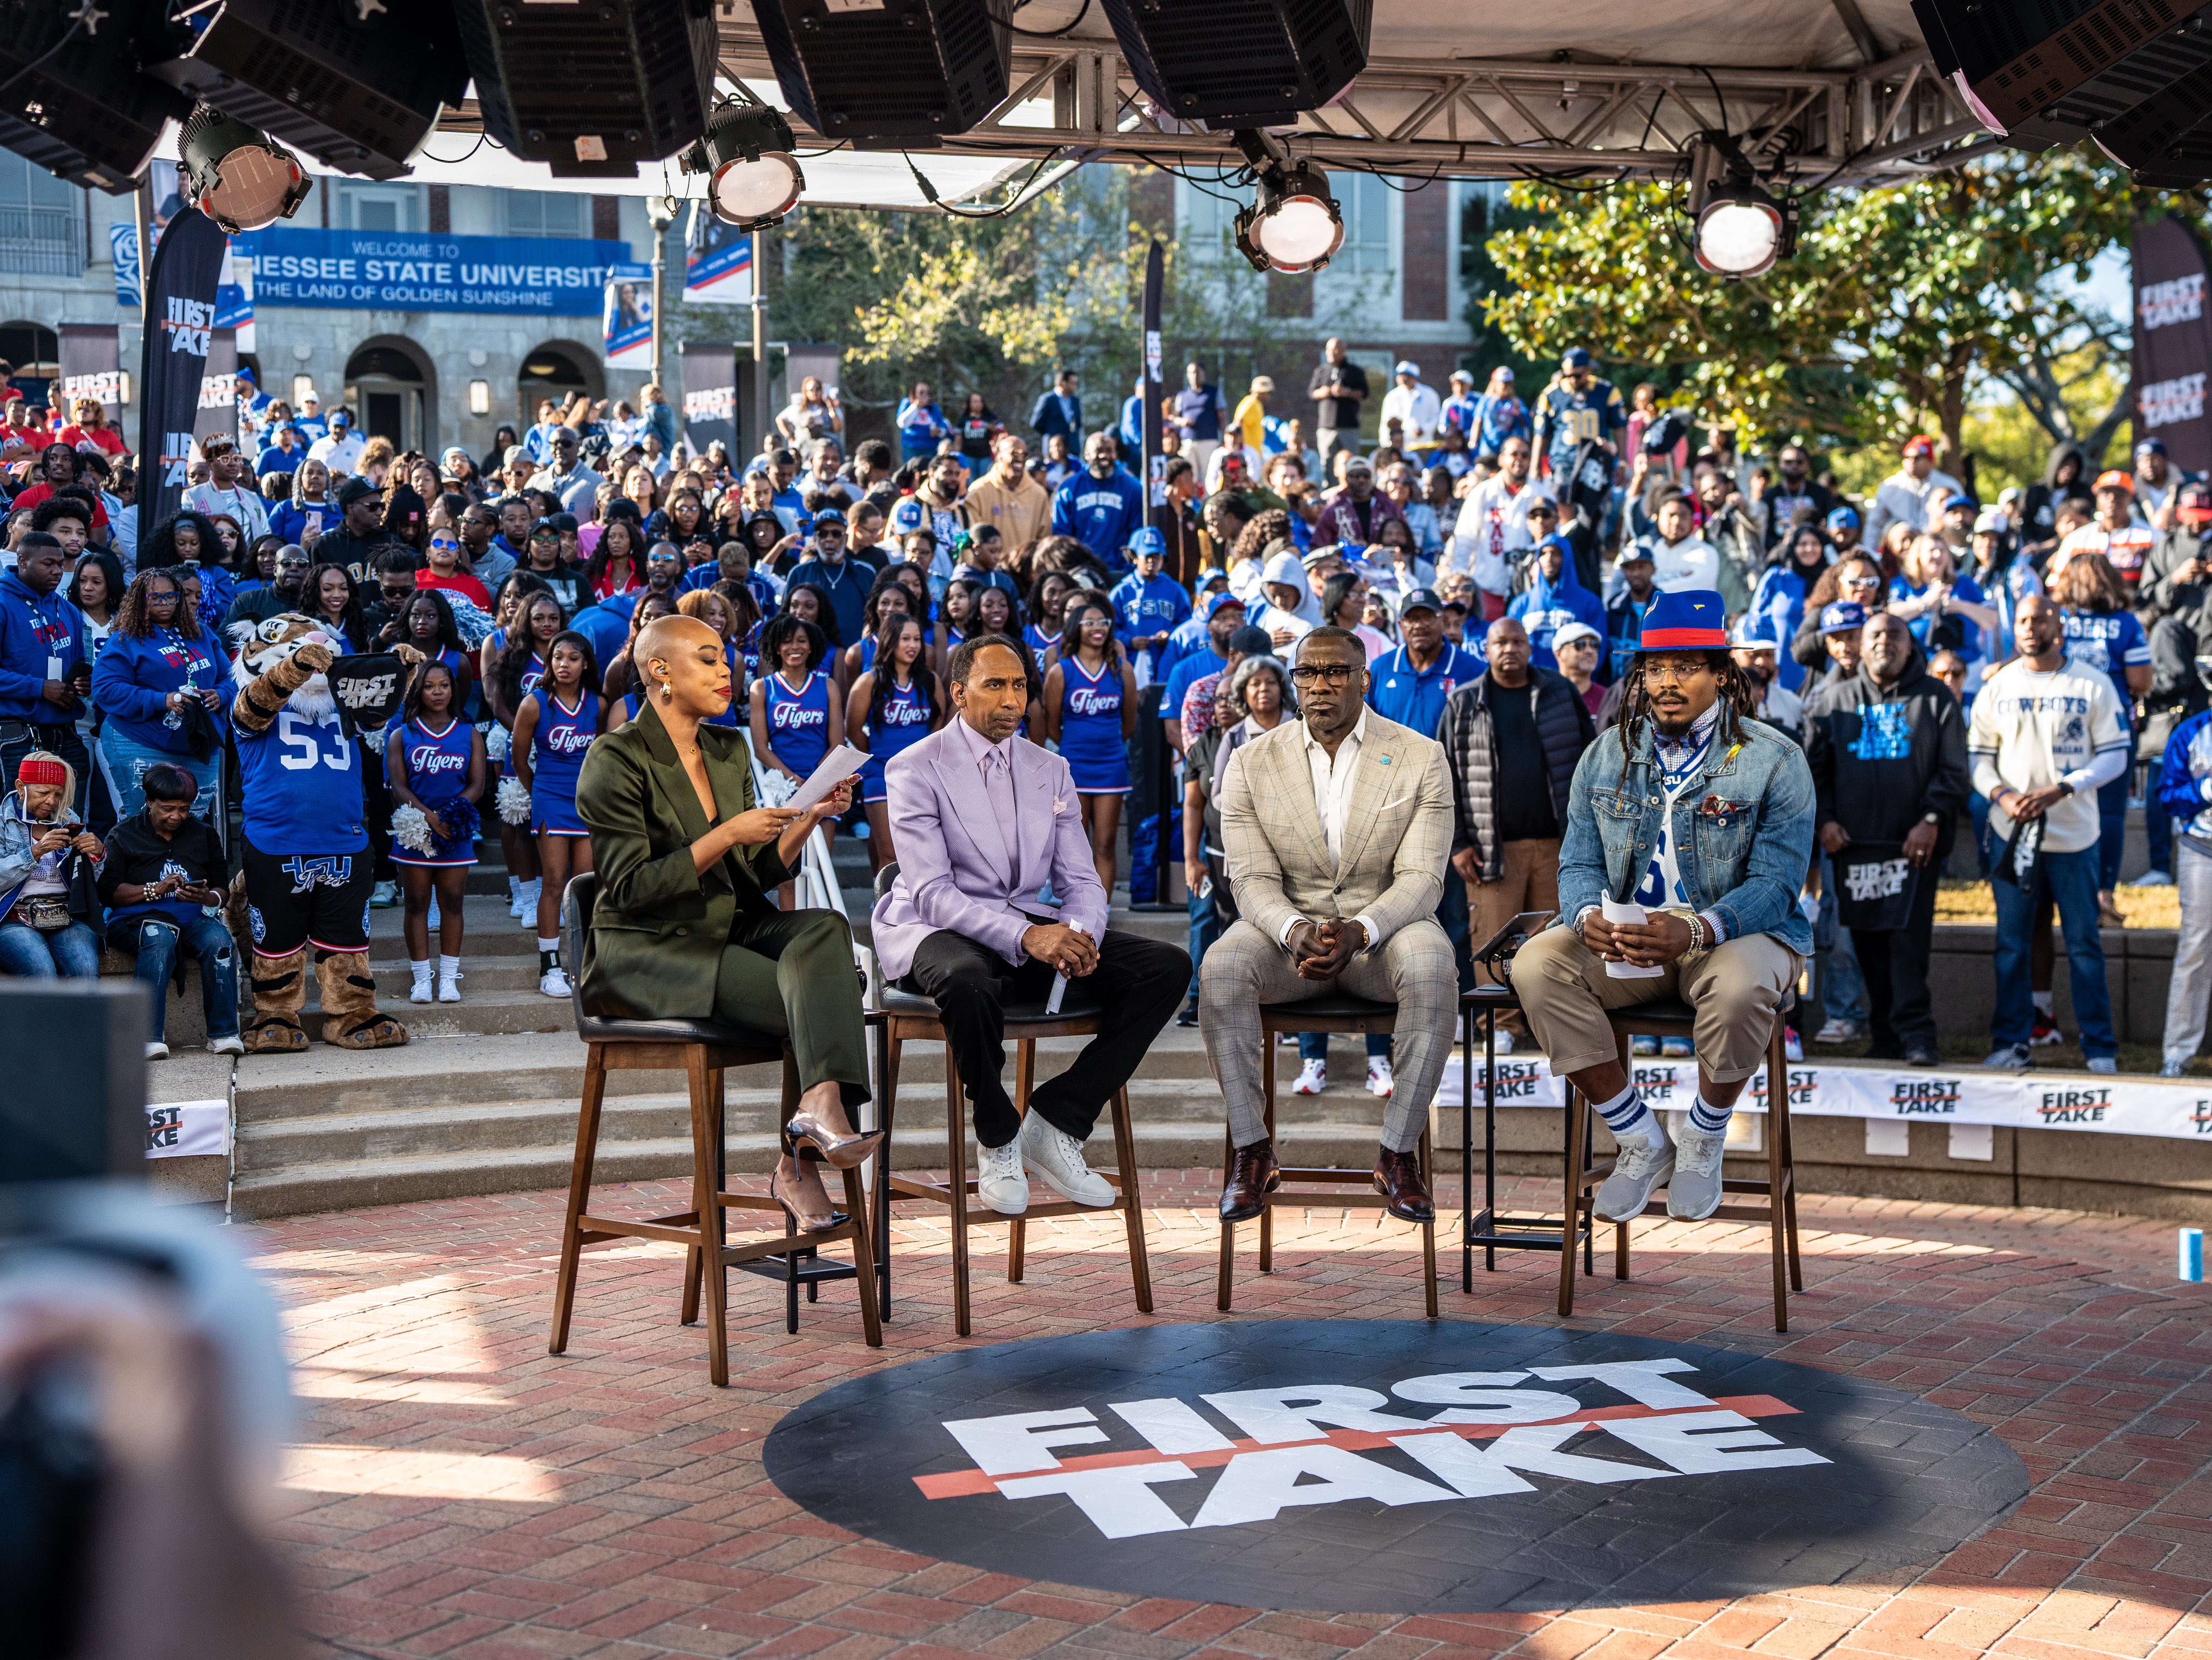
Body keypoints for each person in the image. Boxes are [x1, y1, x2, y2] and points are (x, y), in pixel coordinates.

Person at [1511, 590, 1816, 1223]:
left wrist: (1698, 927)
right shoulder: (1607, 752)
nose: (1667, 682)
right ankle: (1640, 1137)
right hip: (1629, 946)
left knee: (1739, 986)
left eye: (1687, 666)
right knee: (1535, 965)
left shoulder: (1774, 757)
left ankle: (1704, 1137)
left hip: (1732, 934)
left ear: (1722, 675)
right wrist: (1582, 915)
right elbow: (1578, 861)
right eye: (1655, 668)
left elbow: (1778, 882)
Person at [576, 613, 875, 1232]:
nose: (726, 670)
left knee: (822, 931)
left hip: (725, 922)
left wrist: (808, 816)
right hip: (647, 948)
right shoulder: (615, 756)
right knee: (820, 994)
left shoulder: (727, 746)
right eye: (708, 659)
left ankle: (817, 1106)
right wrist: (726, 833)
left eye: (725, 658)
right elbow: (630, 889)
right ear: (660, 670)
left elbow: (752, 872)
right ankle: (798, 1160)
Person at [871, 635, 1188, 1216]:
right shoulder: (915, 767)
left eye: (1020, 685)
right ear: (959, 692)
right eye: (996, 684)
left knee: (1165, 968)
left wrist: (1082, 935)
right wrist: (1027, 937)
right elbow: (933, 893)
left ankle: (1057, 1117)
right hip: (936, 930)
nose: (1012, 698)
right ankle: (996, 1136)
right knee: (967, 980)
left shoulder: (1052, 768)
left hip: (1023, 926)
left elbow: (1081, 879)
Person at [1204, 626, 1455, 1223]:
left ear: (1363, 677)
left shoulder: (1420, 755)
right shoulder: (1249, 761)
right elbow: (1250, 881)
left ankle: (1396, 1153)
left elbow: (1422, 878)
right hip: (1288, 939)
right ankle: (1253, 1149)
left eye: (1336, 672)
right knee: (1221, 965)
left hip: (1383, 936)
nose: (1320, 685)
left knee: (1433, 962)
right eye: (1308, 673)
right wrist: (1294, 930)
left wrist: (1362, 929)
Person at [1802, 611, 1969, 1065]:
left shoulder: (1936, 699)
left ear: (1910, 645)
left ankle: (1919, 1036)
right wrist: (1827, 822)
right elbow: (1813, 771)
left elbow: (1954, 771)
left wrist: (1931, 820)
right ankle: (1886, 1037)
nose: (1884, 642)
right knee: (1868, 944)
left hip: (1915, 849)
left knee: (1907, 943)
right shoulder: (1834, 700)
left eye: (1895, 635)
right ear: (1861, 643)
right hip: (1853, 848)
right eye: (1875, 635)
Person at [1970, 593, 2126, 1072]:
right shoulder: (1997, 687)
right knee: (2011, 943)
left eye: (2040, 618)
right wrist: (2002, 796)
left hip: (2074, 837)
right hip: (2012, 833)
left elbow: (2115, 756)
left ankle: (2099, 1049)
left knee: (2084, 944)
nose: (2031, 627)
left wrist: (2064, 789)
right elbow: (1979, 759)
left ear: (2059, 625)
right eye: (2022, 620)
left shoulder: (2093, 683)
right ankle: (2011, 1042)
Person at [1437, 612, 1596, 1055]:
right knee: (1496, 940)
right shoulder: (1465, 702)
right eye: (1499, 643)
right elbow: (1445, 779)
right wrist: (1460, 843)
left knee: (1556, 941)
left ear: (1530, 647)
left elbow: (1590, 763)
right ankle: (1501, 1025)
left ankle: (1551, 1025)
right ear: (1485, 651)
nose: (1509, 650)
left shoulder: (1559, 692)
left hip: (1558, 846)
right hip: (1493, 849)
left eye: (1517, 642)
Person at [95, 762, 241, 1058]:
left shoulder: (203, 834)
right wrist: (154, 889)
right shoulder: (124, 835)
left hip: (191, 918)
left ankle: (224, 1033)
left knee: (220, 941)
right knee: (159, 936)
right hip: (135, 920)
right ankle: (147, 1036)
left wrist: (208, 896)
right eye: (168, 808)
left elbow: (221, 887)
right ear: (149, 801)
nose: (177, 816)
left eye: (184, 809)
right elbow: (109, 893)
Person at [2051, 551, 2151, 922]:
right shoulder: (2126, 624)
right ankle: (2103, 893)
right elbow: (2141, 682)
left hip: (2062, 726)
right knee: (2110, 812)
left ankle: (2061, 893)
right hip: (2114, 728)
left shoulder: (2056, 620)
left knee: (2062, 801)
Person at [90, 568, 228, 824]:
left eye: (171, 597)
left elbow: (230, 676)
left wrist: (222, 694)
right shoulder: (125, 639)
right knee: (147, 827)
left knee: (190, 824)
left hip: (198, 745)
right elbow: (105, 690)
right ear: (139, 600)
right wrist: (162, 700)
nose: (164, 604)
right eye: (155, 598)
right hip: (140, 743)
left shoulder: (202, 633)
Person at [387, 659, 484, 1004]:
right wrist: (430, 817)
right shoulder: (403, 734)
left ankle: (448, 978)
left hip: (454, 831)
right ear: (418, 690)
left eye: (444, 685)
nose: (437, 692)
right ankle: (422, 979)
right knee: (415, 903)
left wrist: (451, 815)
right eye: (429, 686)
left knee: (453, 903)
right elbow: (398, 786)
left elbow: (477, 785)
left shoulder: (469, 733)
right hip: (415, 830)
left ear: (453, 689)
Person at [510, 631, 602, 996]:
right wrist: (541, 791)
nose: (564, 664)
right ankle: (550, 968)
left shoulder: (599, 704)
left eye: (573, 658)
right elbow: (519, 759)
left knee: (583, 883)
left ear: (586, 664)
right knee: (553, 881)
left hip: (587, 801)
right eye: (558, 657)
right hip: (549, 795)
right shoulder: (534, 704)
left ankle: (585, 963)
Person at [1041, 594, 1137, 896]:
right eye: (1090, 622)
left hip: (1111, 766)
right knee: (1076, 846)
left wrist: (1106, 743)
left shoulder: (1122, 670)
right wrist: (1077, 744)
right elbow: (1052, 726)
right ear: (1075, 628)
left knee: (1105, 845)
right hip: (1074, 766)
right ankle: (1078, 910)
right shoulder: (1061, 671)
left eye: (1104, 622)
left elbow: (1130, 724)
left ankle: (1103, 914)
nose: (1098, 628)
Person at [848, 613, 941, 874]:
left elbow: (938, 725)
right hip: (882, 774)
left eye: (917, 639)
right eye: (905, 639)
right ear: (889, 641)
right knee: (889, 853)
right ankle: (885, 911)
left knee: (924, 853)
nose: (913, 645)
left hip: (924, 776)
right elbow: (853, 730)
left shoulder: (929, 681)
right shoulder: (869, 682)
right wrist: (881, 754)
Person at [0, 750, 103, 981]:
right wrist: (35, 852)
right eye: (44, 792)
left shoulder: (69, 819)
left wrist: (98, 854)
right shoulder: (2, 820)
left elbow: (94, 884)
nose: (52, 801)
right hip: (13, 919)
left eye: (58, 794)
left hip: (66, 916)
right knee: (41, 973)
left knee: (85, 973)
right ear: (20, 787)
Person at [1445, 435, 1553, 611]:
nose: (1520, 460)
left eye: (1525, 456)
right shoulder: (1483, 493)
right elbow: (1465, 540)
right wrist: (1459, 577)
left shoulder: (1542, 495)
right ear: (1501, 459)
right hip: (1486, 586)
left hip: (1528, 589)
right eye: (1514, 455)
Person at [749, 612, 840, 797]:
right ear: (776, 648)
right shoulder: (762, 688)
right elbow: (760, 748)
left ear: (811, 647)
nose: (795, 647)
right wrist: (792, 778)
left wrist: (816, 780)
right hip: (781, 783)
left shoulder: (829, 686)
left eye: (802, 641)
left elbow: (837, 744)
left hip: (822, 780)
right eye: (787, 641)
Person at [1050, 432, 1146, 575]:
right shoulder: (1069, 489)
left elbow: (1137, 534)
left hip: (1120, 572)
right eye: (1099, 451)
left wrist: (1128, 570)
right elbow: (1062, 537)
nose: (1104, 456)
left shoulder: (1133, 488)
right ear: (1087, 454)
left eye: (1109, 451)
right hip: (1081, 572)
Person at [1532, 347, 1626, 481]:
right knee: (1562, 499)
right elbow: (1541, 433)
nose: (1572, 380)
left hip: (1596, 462)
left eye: (1577, 375)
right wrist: (1535, 467)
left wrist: (1622, 462)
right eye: (1567, 376)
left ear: (1588, 370)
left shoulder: (1606, 391)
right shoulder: (1551, 394)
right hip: (1564, 462)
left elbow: (1619, 428)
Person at [1865, 436, 1965, 549]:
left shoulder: (1949, 485)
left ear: (1931, 461)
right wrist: (1871, 553)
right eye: (1907, 457)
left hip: (1938, 545)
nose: (1912, 461)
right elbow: (1874, 525)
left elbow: (1962, 518)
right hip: (1901, 548)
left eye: (1918, 458)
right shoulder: (1890, 486)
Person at [964, 433, 1052, 552]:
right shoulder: (978, 491)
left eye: (1024, 454)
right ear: (999, 456)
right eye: (1014, 453)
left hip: (1025, 567)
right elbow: (972, 537)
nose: (1020, 458)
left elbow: (1044, 540)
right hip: (989, 568)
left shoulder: (1039, 495)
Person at [1306, 339, 1370, 465]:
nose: (1331, 353)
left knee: (1351, 461)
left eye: (1335, 350)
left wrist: (1347, 392)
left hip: (1348, 426)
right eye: (1328, 350)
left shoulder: (1354, 371)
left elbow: (1364, 393)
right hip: (1326, 426)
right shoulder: (1321, 371)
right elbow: (1311, 393)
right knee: (1327, 462)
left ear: (1343, 351)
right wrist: (1323, 392)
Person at [1552, 619, 1606, 716]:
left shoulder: (1608, 699)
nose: (1589, 651)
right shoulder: (1543, 696)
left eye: (1594, 645)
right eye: (1580, 644)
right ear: (1559, 653)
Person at [895, 381, 952, 464]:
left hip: (930, 448)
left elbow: (944, 428)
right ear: (914, 393)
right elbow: (902, 423)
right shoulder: (907, 403)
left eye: (927, 392)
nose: (925, 395)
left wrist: (938, 431)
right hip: (911, 447)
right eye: (921, 392)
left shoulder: (933, 408)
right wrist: (916, 406)